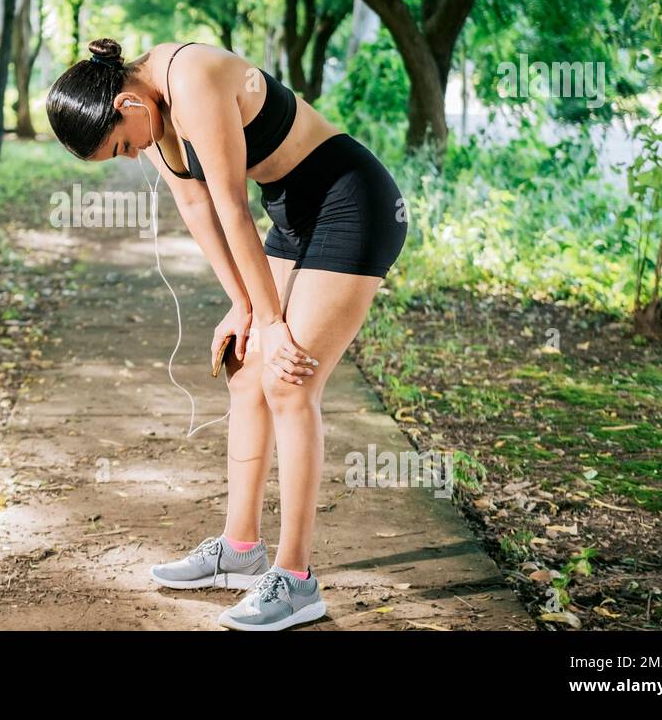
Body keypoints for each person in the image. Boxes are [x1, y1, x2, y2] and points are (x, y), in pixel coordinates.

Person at [44, 37, 408, 631]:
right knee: (246, 375)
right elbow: (196, 207)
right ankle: (241, 551)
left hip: (351, 202)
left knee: (289, 382)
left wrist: (271, 319)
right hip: (294, 213)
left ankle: (296, 581)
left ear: (129, 107)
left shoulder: (189, 77)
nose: (134, 156)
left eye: (123, 147)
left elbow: (233, 207)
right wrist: (243, 304)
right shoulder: (152, 108)